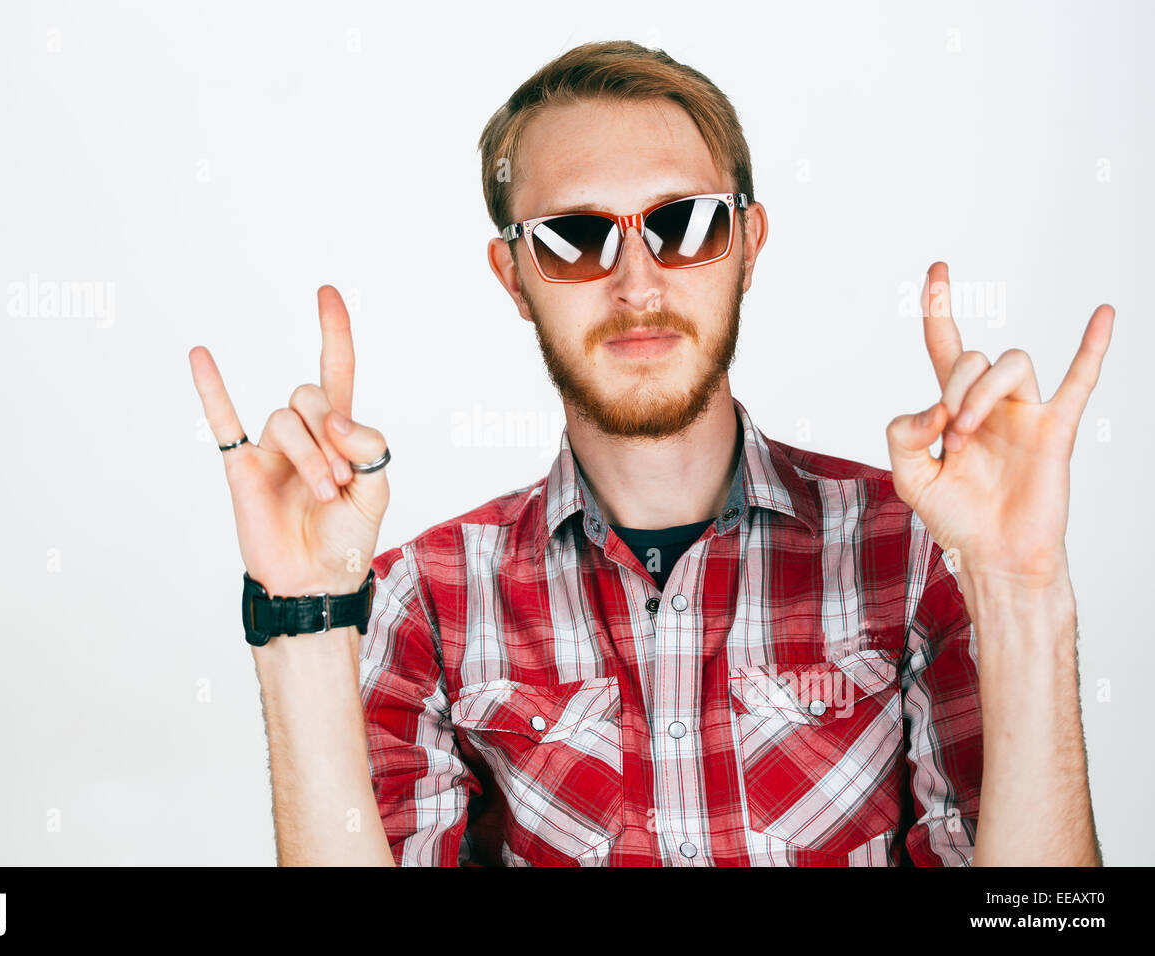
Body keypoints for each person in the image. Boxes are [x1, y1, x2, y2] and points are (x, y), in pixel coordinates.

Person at [188, 40, 1112, 866]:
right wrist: (302, 615)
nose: (638, 282)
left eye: (686, 224)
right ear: (514, 276)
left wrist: (1023, 588)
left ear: (747, 242)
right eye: (575, 237)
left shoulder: (918, 554)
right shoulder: (422, 601)